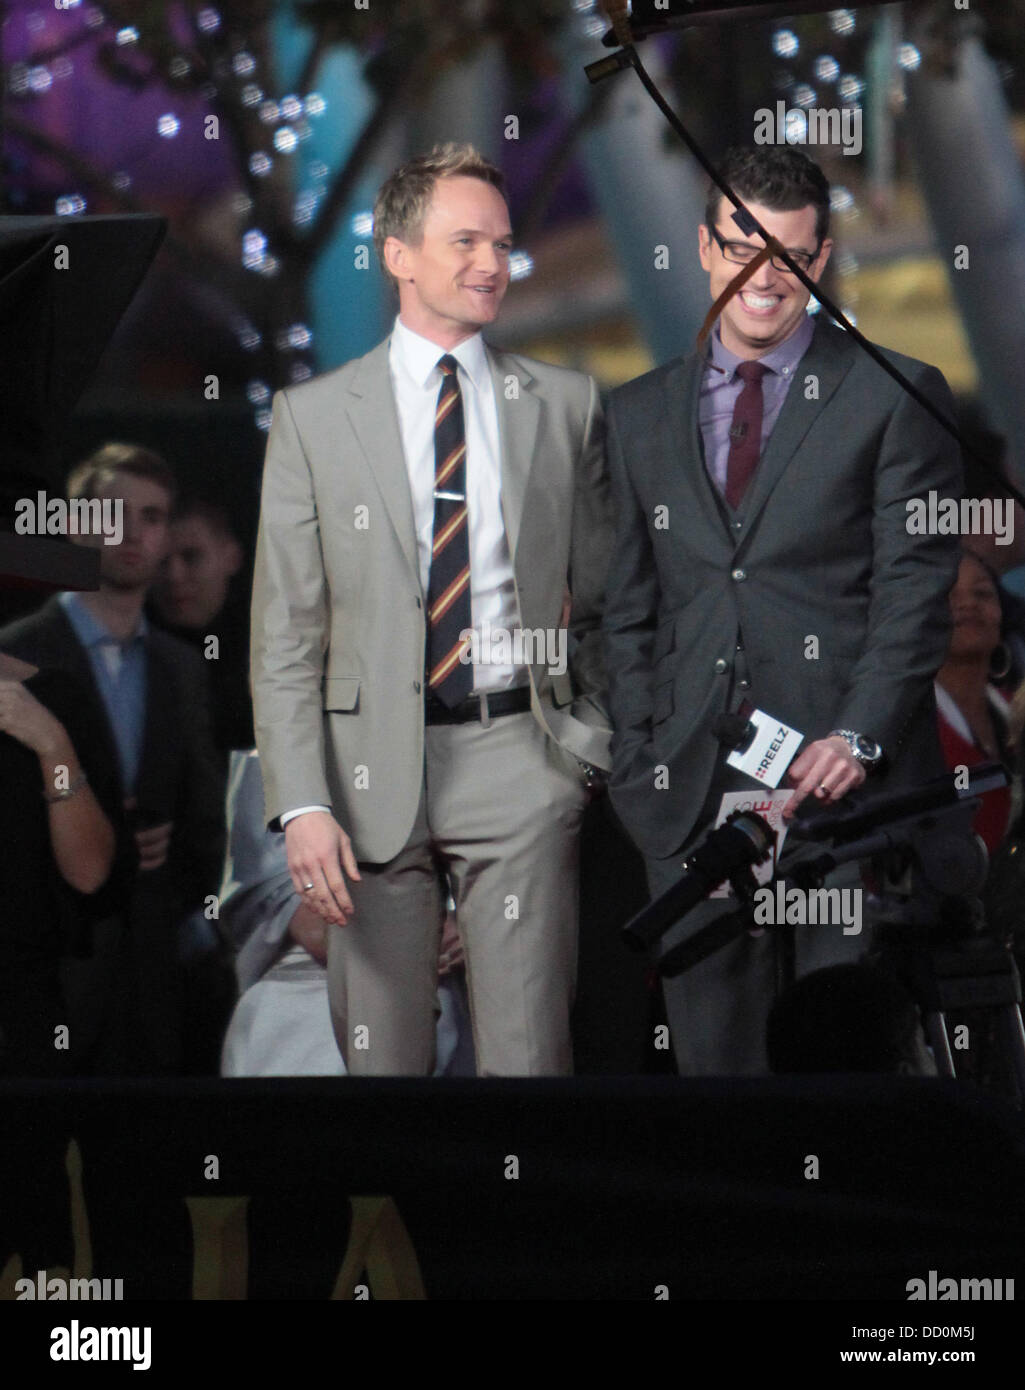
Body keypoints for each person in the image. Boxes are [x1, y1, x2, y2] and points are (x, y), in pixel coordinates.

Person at [251, 142, 612, 1076]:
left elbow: (610, 603)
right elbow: (284, 635)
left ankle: (518, 1228)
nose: (490, 263)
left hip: (518, 756)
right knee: (381, 1068)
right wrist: (300, 804)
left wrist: (581, 748)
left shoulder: (565, 405)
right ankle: (399, 1229)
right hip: (363, 772)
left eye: (499, 243)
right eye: (463, 241)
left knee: (531, 1066)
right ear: (397, 253)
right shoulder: (313, 417)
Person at [602, 145, 962, 1076]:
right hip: (689, 800)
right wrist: (642, 759)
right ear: (704, 248)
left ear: (824, 256)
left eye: (793, 258)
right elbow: (623, 611)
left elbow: (913, 596)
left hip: (845, 810)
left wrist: (855, 740)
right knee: (718, 1088)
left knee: (849, 1086)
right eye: (744, 250)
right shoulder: (636, 416)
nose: (766, 280)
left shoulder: (894, 393)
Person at [0, 443, 227, 1074]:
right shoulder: (16, 654)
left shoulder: (182, 668)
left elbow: (204, 814)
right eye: (113, 514)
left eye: (152, 517)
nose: (134, 533)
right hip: (42, 970)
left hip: (155, 968)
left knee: (145, 1163)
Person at [217, 749, 475, 1077]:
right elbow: (291, 908)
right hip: (309, 997)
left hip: (451, 994)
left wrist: (471, 926)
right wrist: (413, 939)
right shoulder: (277, 753)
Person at [149, 498, 254, 755]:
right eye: (161, 561)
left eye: (191, 556)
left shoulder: (272, 643)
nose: (174, 575)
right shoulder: (131, 651)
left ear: (231, 557)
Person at [935, 550, 1015, 853]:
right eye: (948, 594)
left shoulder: (1016, 710)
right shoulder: (907, 724)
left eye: (982, 593)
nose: (968, 604)